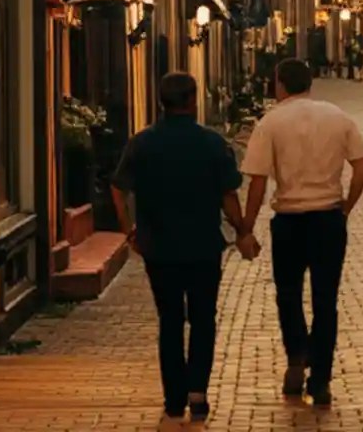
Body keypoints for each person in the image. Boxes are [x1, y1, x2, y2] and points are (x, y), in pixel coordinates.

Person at [111, 72, 260, 428]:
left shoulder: (142, 143)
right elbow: (228, 195)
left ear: (161, 101)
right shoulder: (212, 144)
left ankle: (174, 400)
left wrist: (128, 230)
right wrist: (243, 230)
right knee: (203, 319)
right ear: (193, 101)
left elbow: (118, 188)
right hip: (203, 247)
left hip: (159, 247)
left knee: (170, 321)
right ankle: (198, 394)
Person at [238, 59, 363, 406]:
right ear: (310, 83)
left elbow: (257, 182)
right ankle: (321, 380)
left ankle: (296, 358)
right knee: (326, 301)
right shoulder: (337, 117)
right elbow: (362, 169)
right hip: (328, 219)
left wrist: (246, 229)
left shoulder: (270, 122)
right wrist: (346, 207)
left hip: (289, 221)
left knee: (288, 294)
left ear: (279, 83)